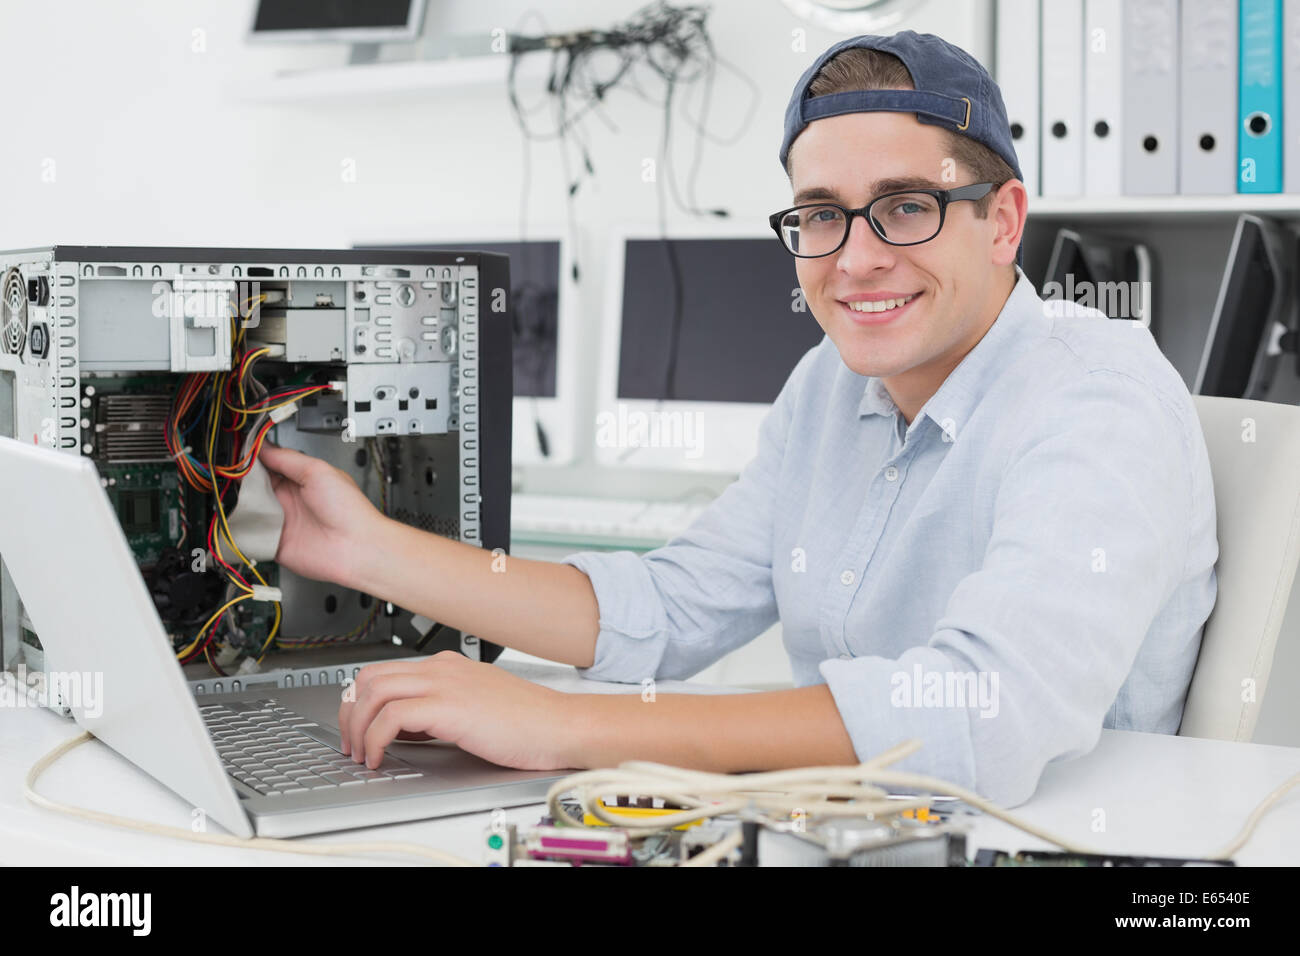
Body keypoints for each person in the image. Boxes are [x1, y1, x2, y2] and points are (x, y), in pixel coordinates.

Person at [258, 31, 1217, 808]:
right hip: (852, 828)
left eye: (905, 207)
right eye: (822, 215)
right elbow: (672, 608)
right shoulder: (828, 387)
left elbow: (981, 713)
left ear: (1002, 220)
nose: (856, 259)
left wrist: (563, 725)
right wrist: (362, 550)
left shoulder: (1098, 398)